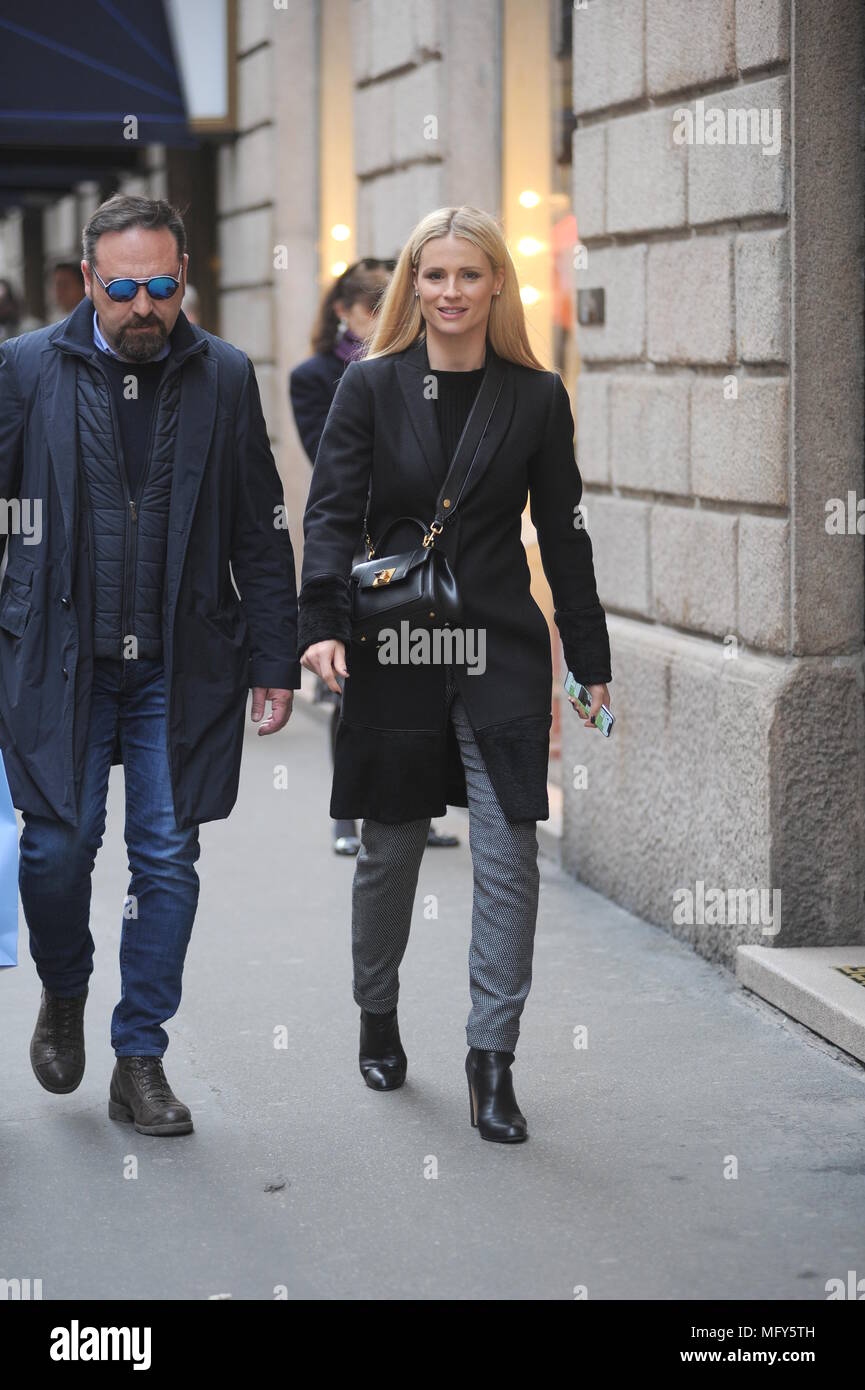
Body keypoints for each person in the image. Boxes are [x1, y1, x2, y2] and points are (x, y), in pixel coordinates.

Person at [297, 205, 612, 1144]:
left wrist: (588, 659)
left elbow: (564, 533)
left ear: (494, 287)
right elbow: (330, 514)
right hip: (394, 648)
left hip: (500, 650)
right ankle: (377, 1012)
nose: (448, 292)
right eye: (432, 276)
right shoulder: (370, 388)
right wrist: (319, 626)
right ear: (411, 286)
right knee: (389, 849)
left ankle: (491, 1059)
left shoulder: (535, 394)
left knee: (509, 852)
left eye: (467, 275)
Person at [0, 194, 299, 1137]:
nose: (142, 306)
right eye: (123, 287)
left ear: (184, 284)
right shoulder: (24, 369)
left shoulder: (224, 375)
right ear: (88, 280)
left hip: (182, 659)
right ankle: (65, 988)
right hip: (58, 658)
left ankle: (141, 1057)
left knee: (166, 858)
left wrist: (274, 655)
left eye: (160, 288)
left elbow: (259, 526)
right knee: (56, 849)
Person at [289, 258, 459, 856]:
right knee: (357, 687)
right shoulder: (319, 377)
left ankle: (421, 810)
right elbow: (326, 463)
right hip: (364, 549)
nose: (382, 320)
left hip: (422, 548)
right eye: (371, 309)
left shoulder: (422, 372)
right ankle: (348, 814)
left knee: (428, 683)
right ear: (344, 312)